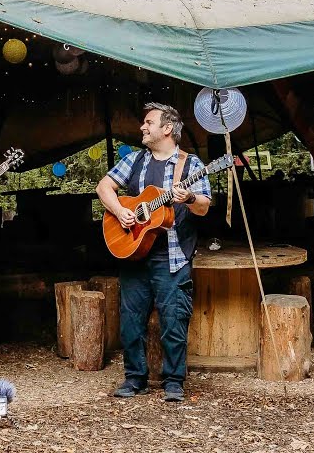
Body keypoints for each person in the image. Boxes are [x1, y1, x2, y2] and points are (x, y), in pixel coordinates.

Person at [96, 102, 211, 403]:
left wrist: (188, 197)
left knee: (174, 320)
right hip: (134, 253)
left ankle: (174, 381)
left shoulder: (192, 165)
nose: (142, 127)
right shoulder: (135, 161)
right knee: (131, 322)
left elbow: (203, 207)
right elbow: (104, 187)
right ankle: (135, 379)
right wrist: (121, 210)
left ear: (167, 128)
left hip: (172, 258)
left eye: (149, 122)